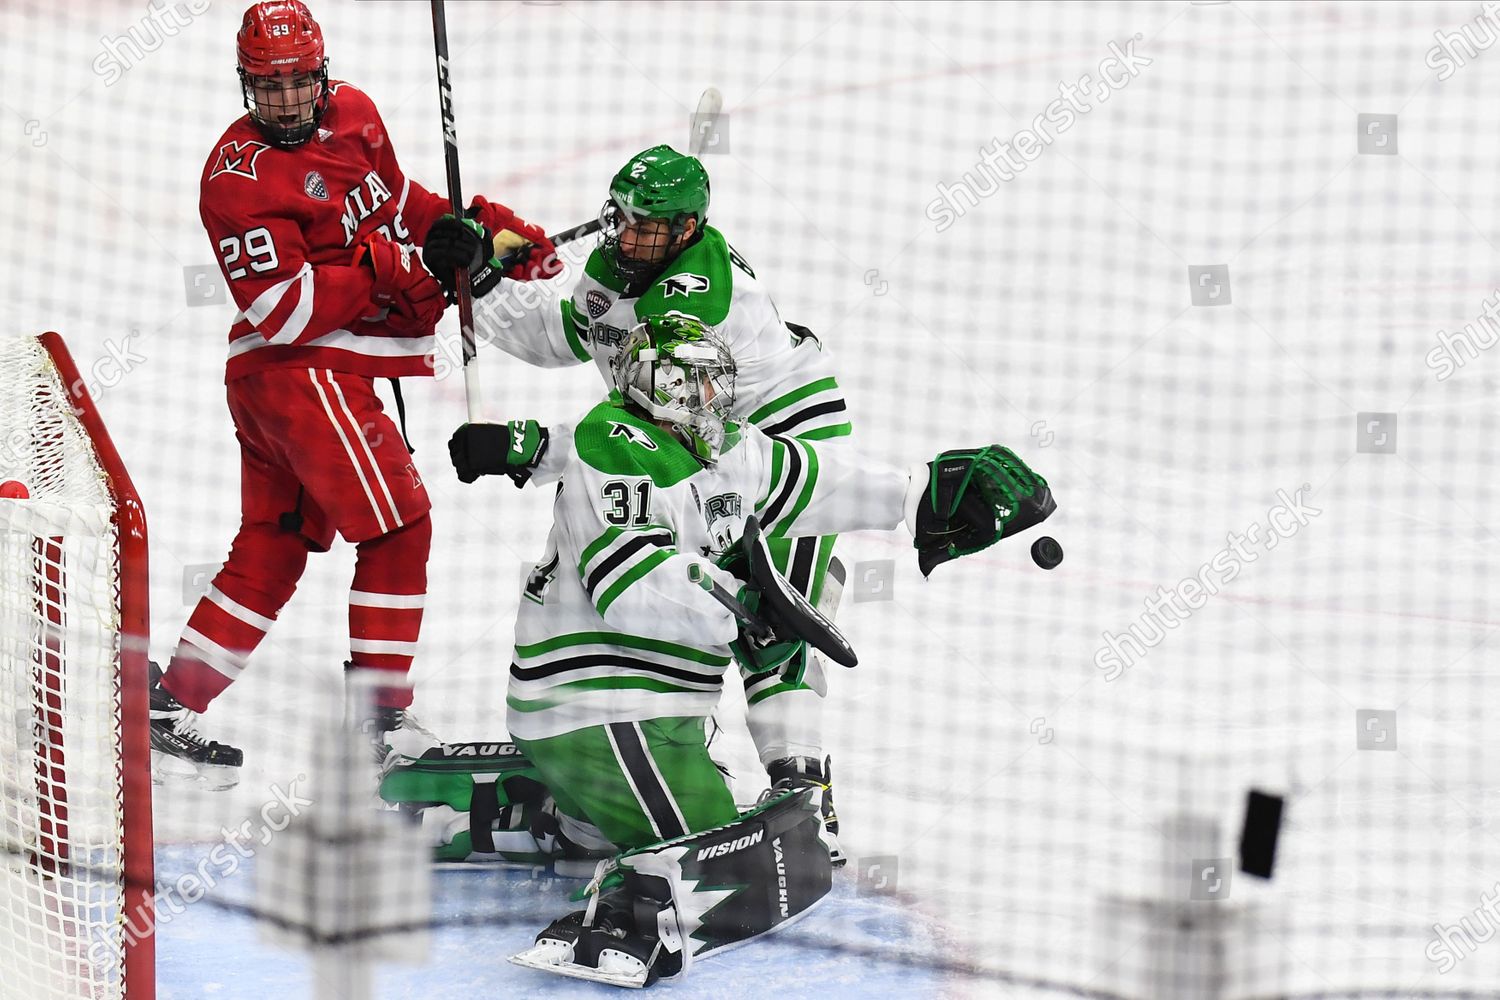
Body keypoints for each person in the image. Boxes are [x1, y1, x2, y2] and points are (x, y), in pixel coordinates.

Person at [383, 313, 1054, 986]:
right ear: (656, 385)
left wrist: (927, 494)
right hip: (596, 705)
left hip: (648, 709)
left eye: (714, 383)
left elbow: (822, 483)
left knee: (669, 820)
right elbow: (633, 580)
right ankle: (632, 912)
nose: (711, 398)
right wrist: (746, 605)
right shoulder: (615, 445)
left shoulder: (729, 448)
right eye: (693, 383)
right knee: (728, 844)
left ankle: (490, 808)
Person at [148, 0, 559, 787]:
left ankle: (168, 709)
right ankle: (378, 726)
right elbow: (284, 310)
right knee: (400, 530)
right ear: (245, 86)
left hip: (308, 384)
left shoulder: (358, 114)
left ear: (322, 71)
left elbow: (401, 208)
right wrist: (395, 270)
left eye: (299, 84)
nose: (287, 103)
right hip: (299, 375)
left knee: (275, 546)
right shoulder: (235, 180)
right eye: (269, 90)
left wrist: (481, 241)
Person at [430, 145, 855, 836]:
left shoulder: (700, 303)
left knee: (770, 622)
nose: (628, 237)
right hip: (695, 448)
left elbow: (650, 424)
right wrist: (484, 278)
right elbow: (562, 336)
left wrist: (526, 445)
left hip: (779, 441)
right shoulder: (618, 268)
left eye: (647, 227)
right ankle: (673, 751)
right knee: (653, 594)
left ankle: (806, 796)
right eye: (622, 218)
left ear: (687, 229)